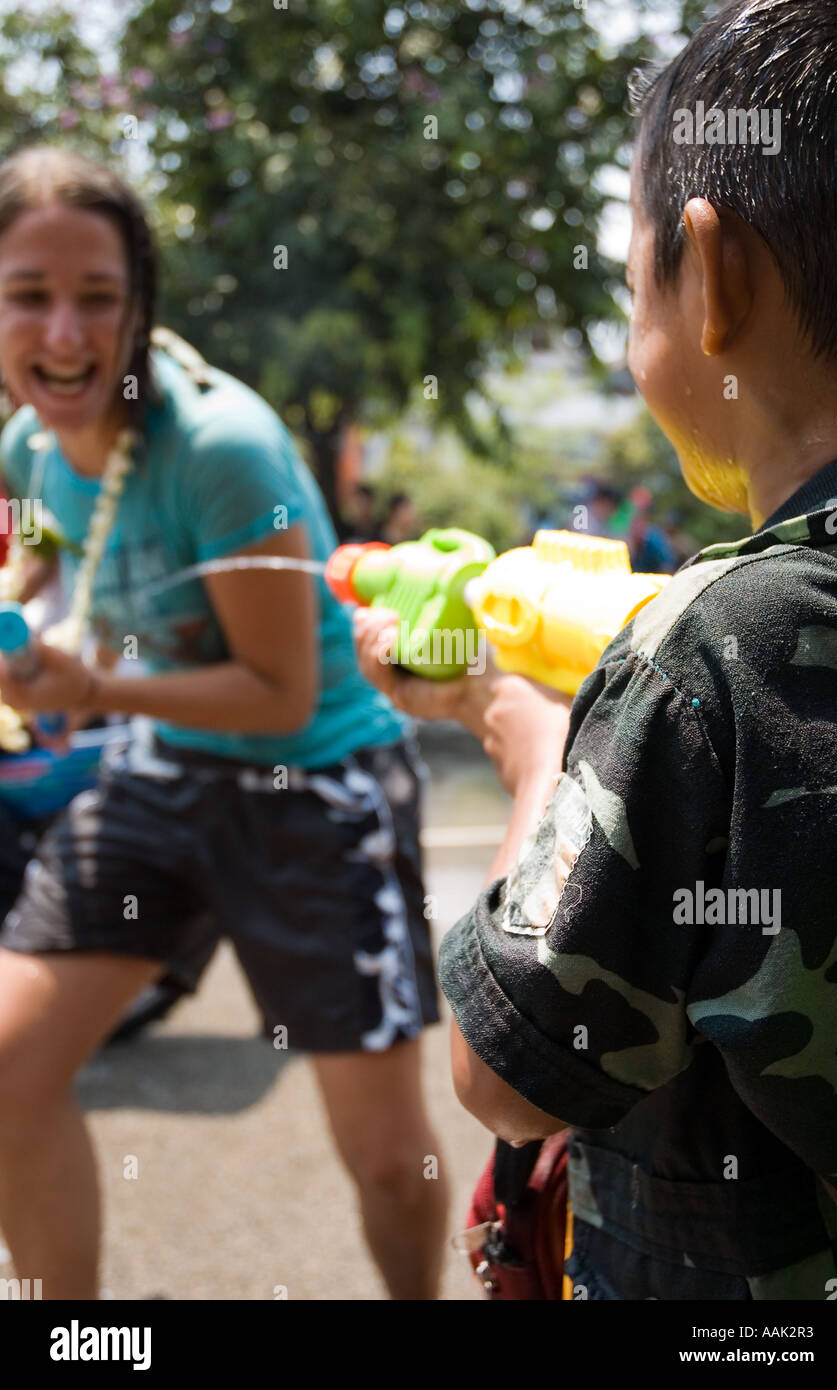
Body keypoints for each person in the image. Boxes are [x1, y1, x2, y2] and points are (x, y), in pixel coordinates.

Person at [356, 0, 837, 1299]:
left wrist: (526, 739)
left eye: (628, 277)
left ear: (713, 274)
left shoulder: (711, 649)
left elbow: (509, 1080)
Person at [0, 145, 446, 1301]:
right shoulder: (26, 447)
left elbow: (279, 691)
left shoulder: (224, 449)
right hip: (163, 768)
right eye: (27, 295)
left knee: (392, 1165)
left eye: (96, 298)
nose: (61, 334)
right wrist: (18, 628)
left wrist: (86, 689)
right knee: (7, 1073)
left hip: (315, 778)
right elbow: (41, 571)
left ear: (140, 304)